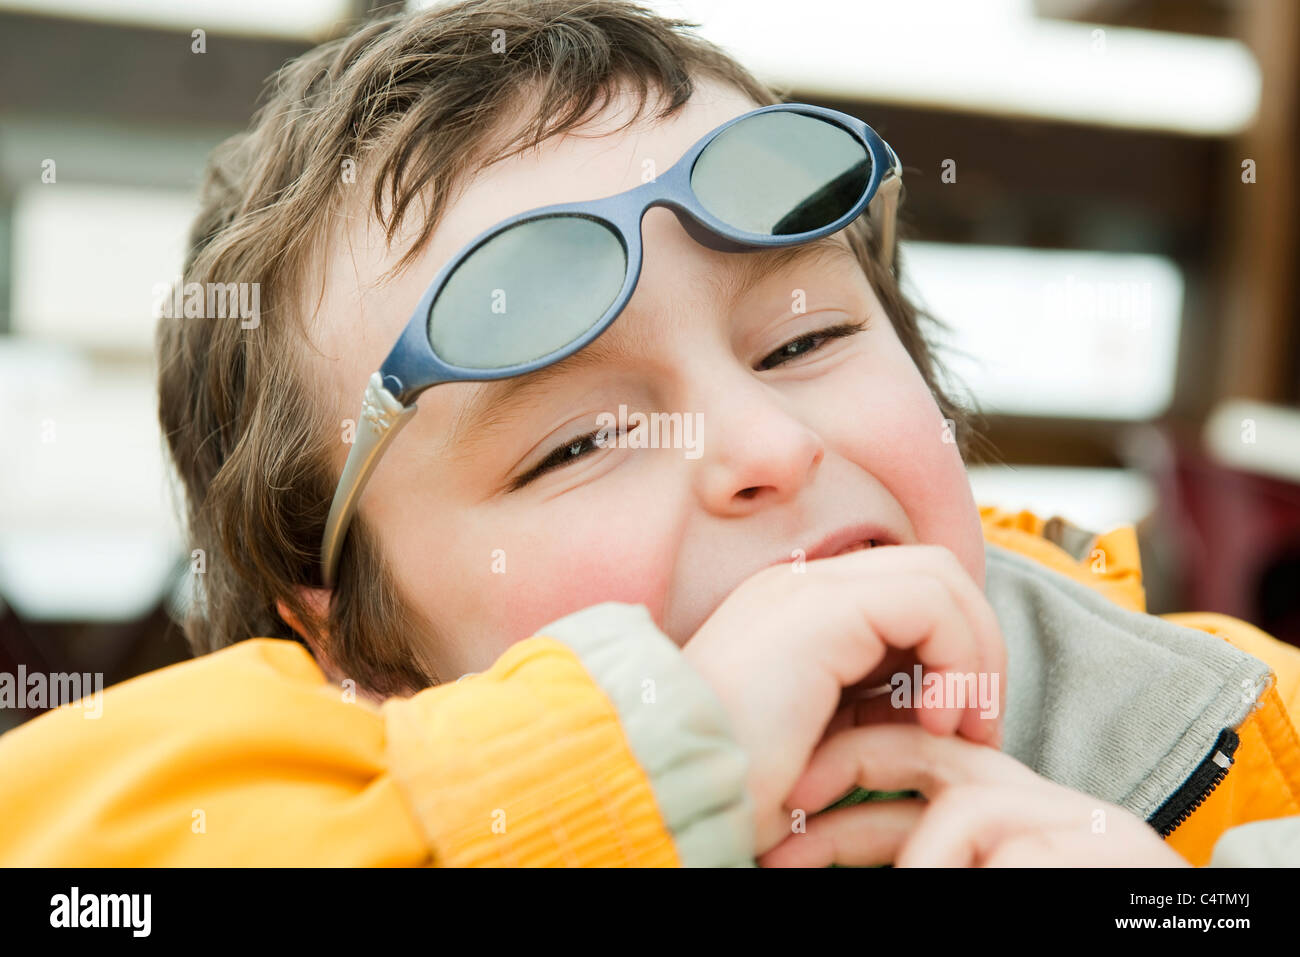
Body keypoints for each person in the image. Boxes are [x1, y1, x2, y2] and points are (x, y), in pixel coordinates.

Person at [0, 0, 1296, 867]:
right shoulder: (284, 797)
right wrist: (651, 761)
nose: (766, 445)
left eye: (803, 342)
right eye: (574, 442)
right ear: (355, 642)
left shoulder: (1248, 733)